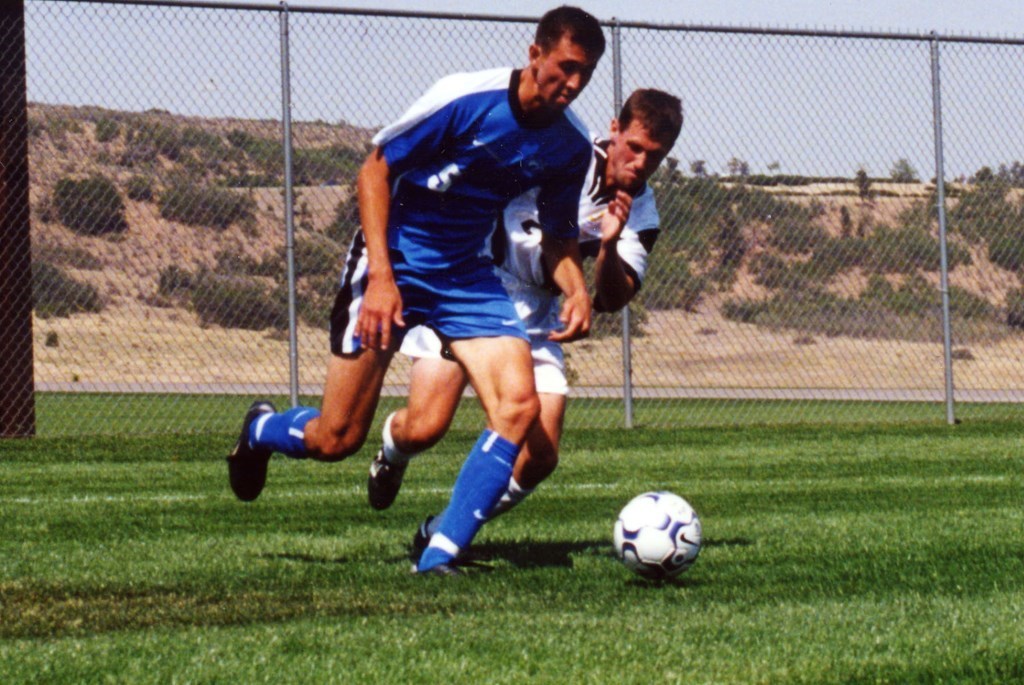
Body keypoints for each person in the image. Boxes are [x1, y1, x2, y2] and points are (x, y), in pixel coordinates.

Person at [226, 6, 607, 576]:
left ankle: (439, 555)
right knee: (337, 438)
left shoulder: (570, 146)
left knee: (518, 405)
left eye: (586, 74)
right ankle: (260, 430)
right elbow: (374, 171)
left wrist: (576, 288)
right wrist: (381, 277)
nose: (573, 84)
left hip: (465, 274)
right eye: (565, 67)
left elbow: (557, 235)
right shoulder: (465, 98)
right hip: (395, 263)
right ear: (534, 55)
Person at [366, 89, 684, 564]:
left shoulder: (643, 209)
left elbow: (614, 299)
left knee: (540, 456)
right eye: (634, 147)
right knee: (425, 428)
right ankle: (392, 454)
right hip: (474, 286)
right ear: (614, 130)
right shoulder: (561, 152)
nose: (640, 163)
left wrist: (611, 245)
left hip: (537, 313)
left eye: (654, 156)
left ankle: (440, 531)